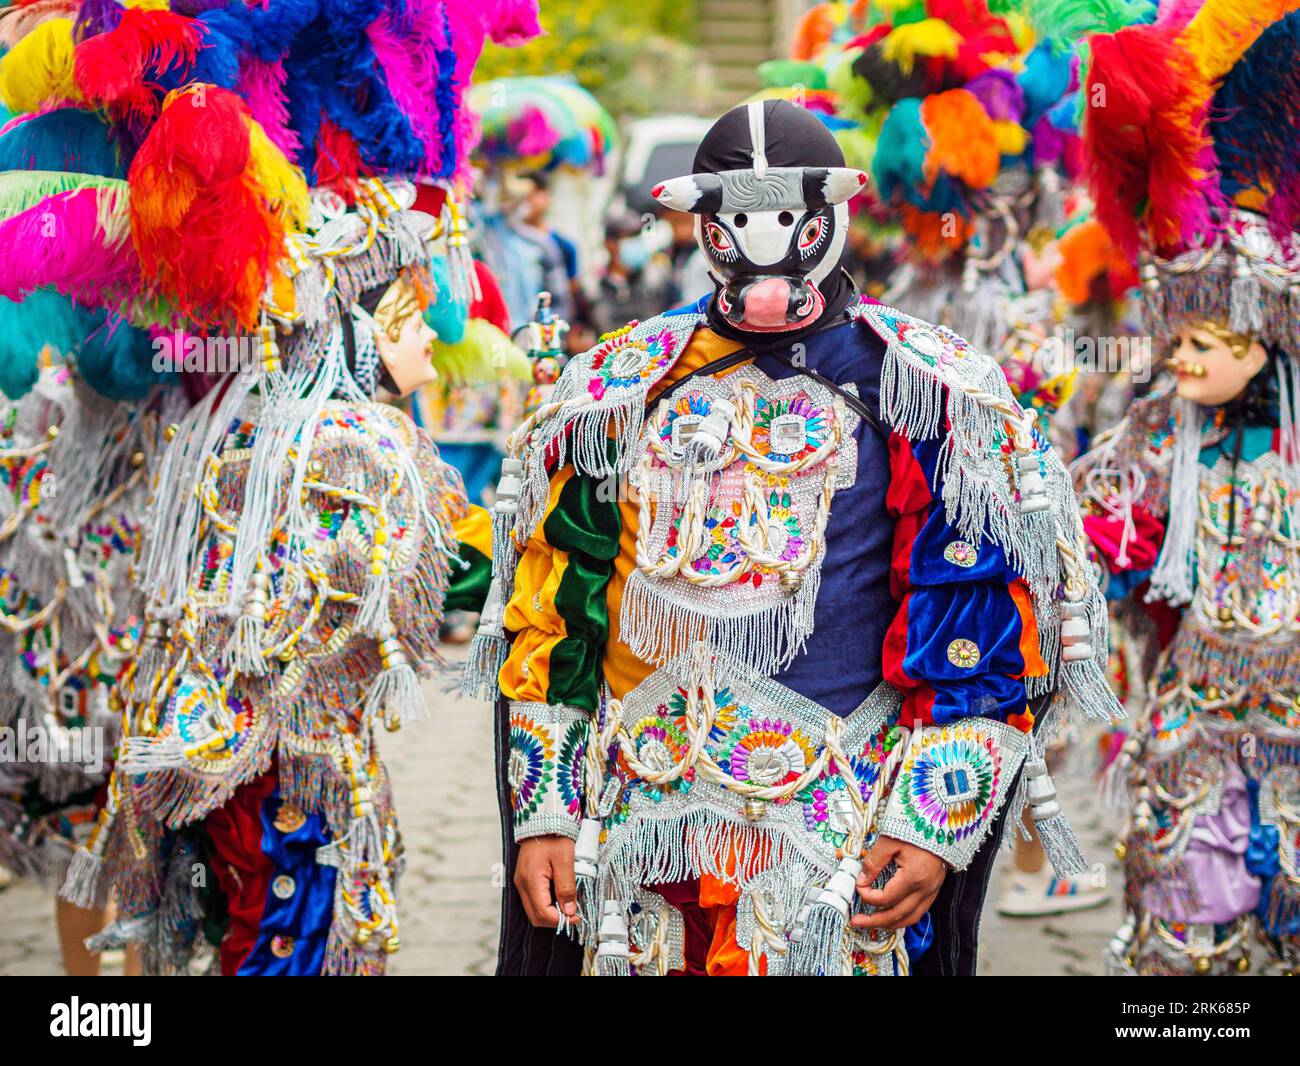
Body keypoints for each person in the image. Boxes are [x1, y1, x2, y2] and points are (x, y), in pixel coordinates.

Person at [468, 99, 1116, 976]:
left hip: (845, 827)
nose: (764, 239)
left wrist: (931, 824)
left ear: (832, 216)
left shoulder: (925, 385)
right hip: (638, 834)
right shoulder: (616, 384)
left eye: (787, 215)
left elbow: (976, 619)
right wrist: (545, 812)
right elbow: (555, 615)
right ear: (702, 223)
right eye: (736, 216)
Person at [1065, 5, 1300, 975]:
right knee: (1179, 881)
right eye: (1175, 338)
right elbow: (1088, 512)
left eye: (1207, 339)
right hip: (1195, 692)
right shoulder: (1161, 419)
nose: (1182, 357)